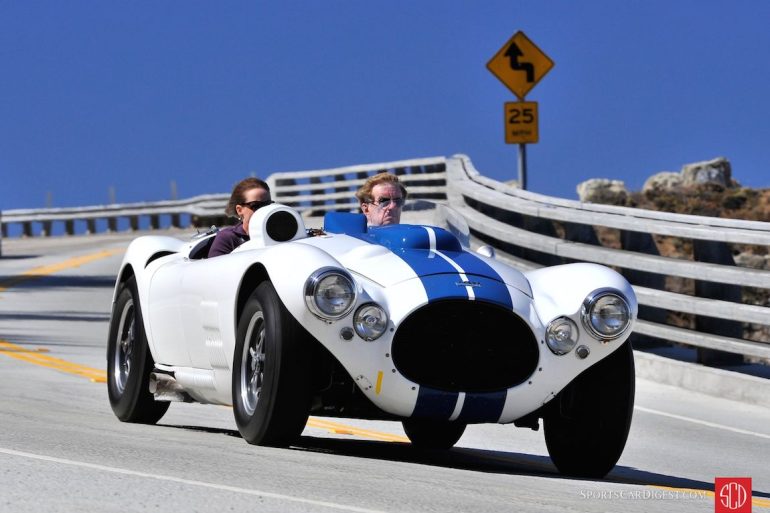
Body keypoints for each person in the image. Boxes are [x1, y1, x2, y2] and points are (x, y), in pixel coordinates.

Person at [208, 177, 273, 257]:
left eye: (268, 204)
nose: (263, 209)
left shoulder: (282, 232)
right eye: (256, 205)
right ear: (239, 210)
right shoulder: (227, 238)